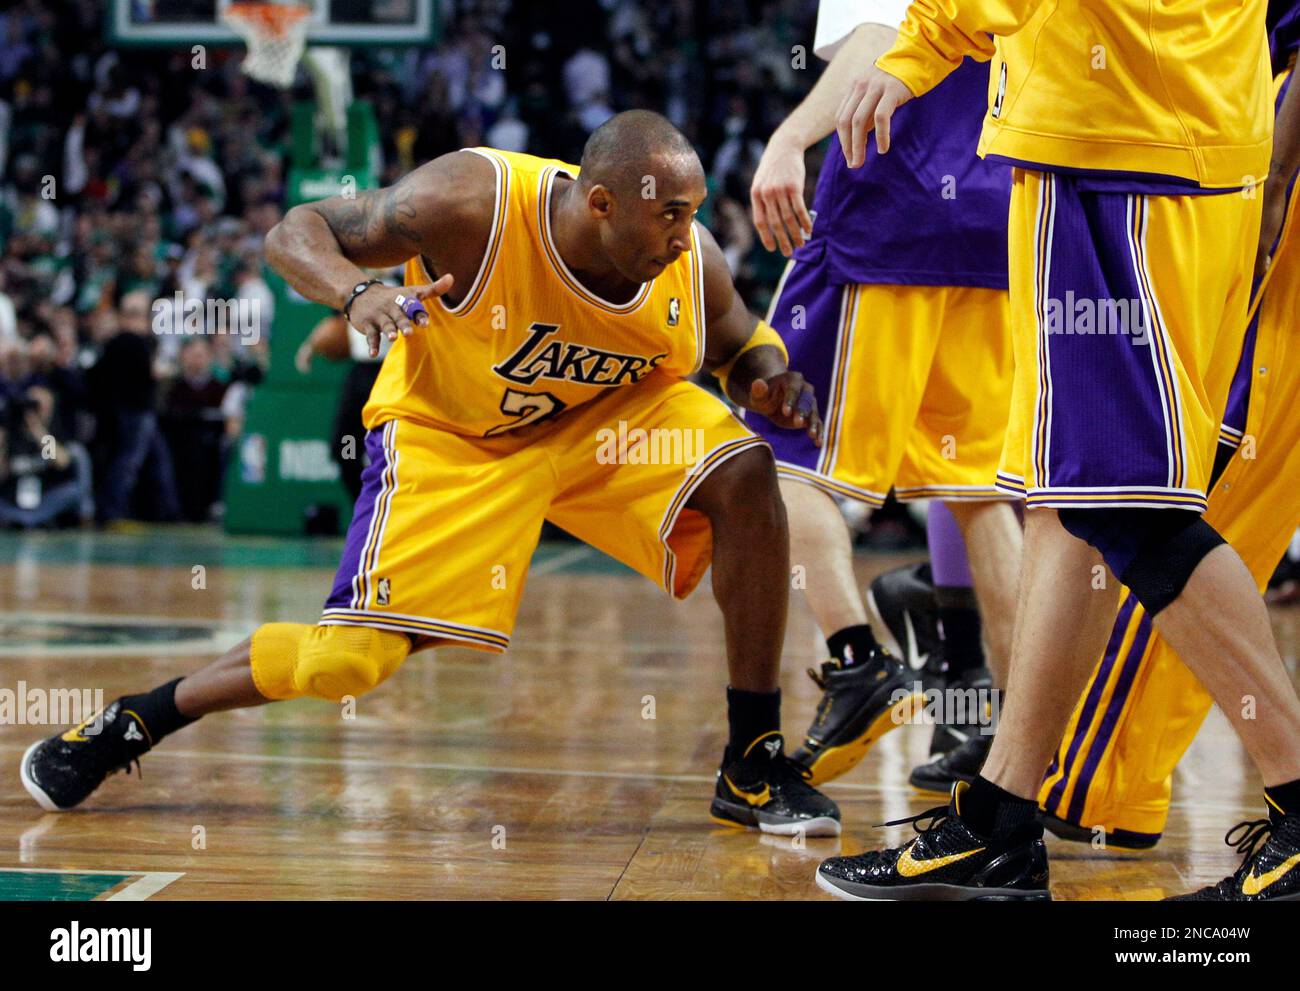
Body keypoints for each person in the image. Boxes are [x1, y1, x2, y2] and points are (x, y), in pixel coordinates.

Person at [21, 111, 842, 837]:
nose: (684, 233)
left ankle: (753, 759)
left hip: (599, 428)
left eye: (691, 214)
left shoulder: (687, 261)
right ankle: (138, 718)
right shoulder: (473, 201)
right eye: (670, 213)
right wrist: (354, 293)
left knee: (744, 470)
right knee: (344, 665)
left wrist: (769, 378)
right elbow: (293, 231)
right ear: (601, 204)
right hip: (453, 438)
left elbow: (739, 343)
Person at [816, 0, 1300, 901]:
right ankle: (1000, 817)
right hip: (1173, 142)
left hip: (1119, 151)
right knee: (1071, 503)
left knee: (1127, 508)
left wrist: (920, 46)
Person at [746, 0, 1020, 787]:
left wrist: (789, 137)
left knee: (766, 456)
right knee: (976, 495)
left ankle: (858, 665)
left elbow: (879, 34)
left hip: (888, 219)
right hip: (994, 217)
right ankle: (1027, 755)